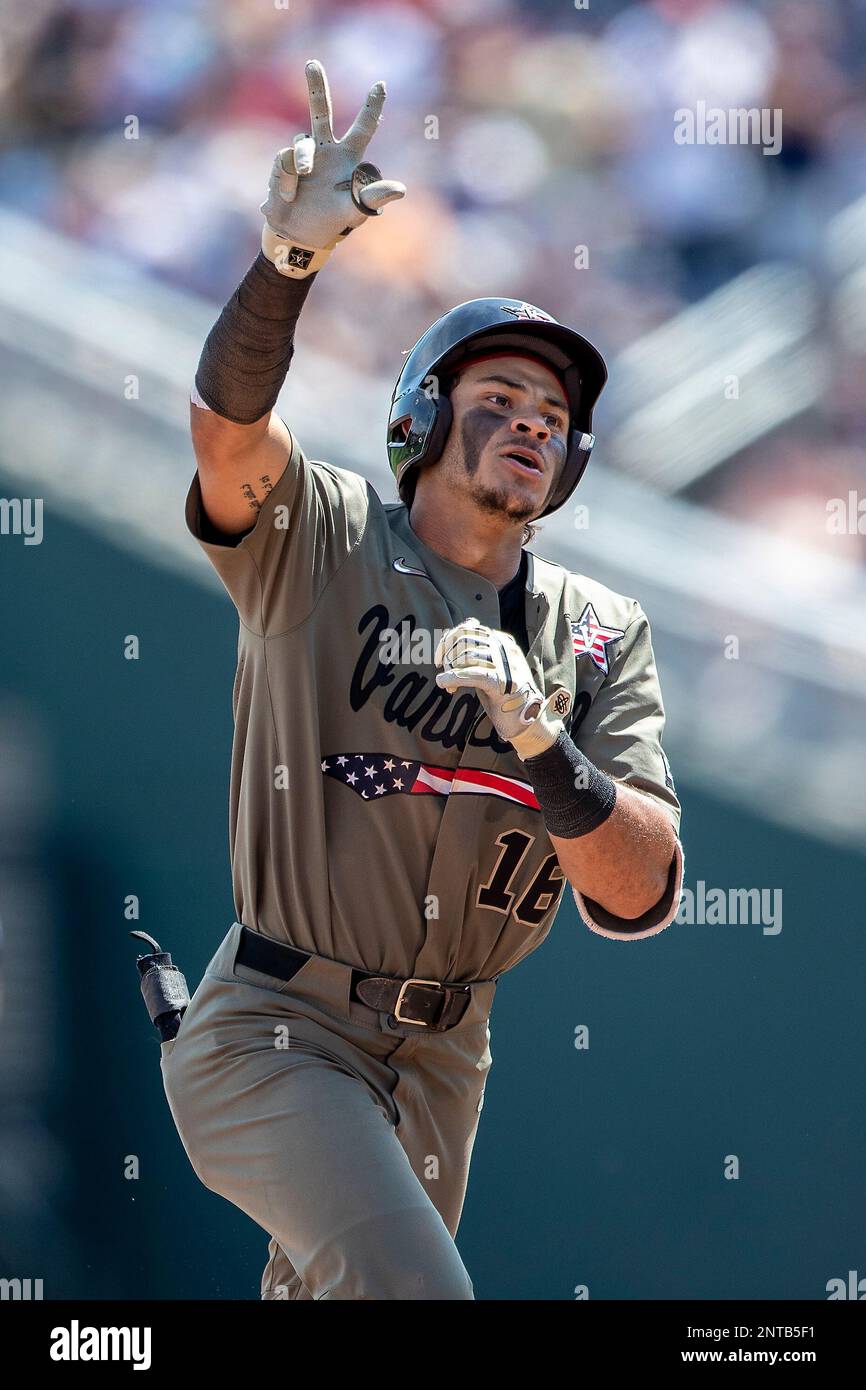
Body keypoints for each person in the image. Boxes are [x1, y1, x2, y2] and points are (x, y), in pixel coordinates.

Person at [159, 59, 683, 1301]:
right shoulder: (329, 536)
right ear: (421, 418)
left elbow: (645, 891)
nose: (529, 423)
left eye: (551, 415)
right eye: (496, 396)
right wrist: (286, 263)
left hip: (451, 1048)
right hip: (281, 1024)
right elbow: (227, 439)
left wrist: (544, 743)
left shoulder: (597, 630)